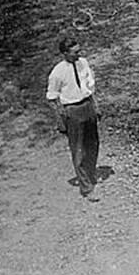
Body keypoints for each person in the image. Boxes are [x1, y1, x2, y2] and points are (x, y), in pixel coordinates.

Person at [46, 34, 105, 201]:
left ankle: (91, 174)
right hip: (72, 110)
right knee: (78, 149)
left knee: (93, 143)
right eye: (74, 52)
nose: (78, 55)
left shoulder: (83, 63)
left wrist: (96, 106)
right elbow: (52, 97)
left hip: (87, 106)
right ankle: (86, 188)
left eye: (79, 51)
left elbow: (90, 86)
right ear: (65, 53)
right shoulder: (57, 72)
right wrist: (61, 118)